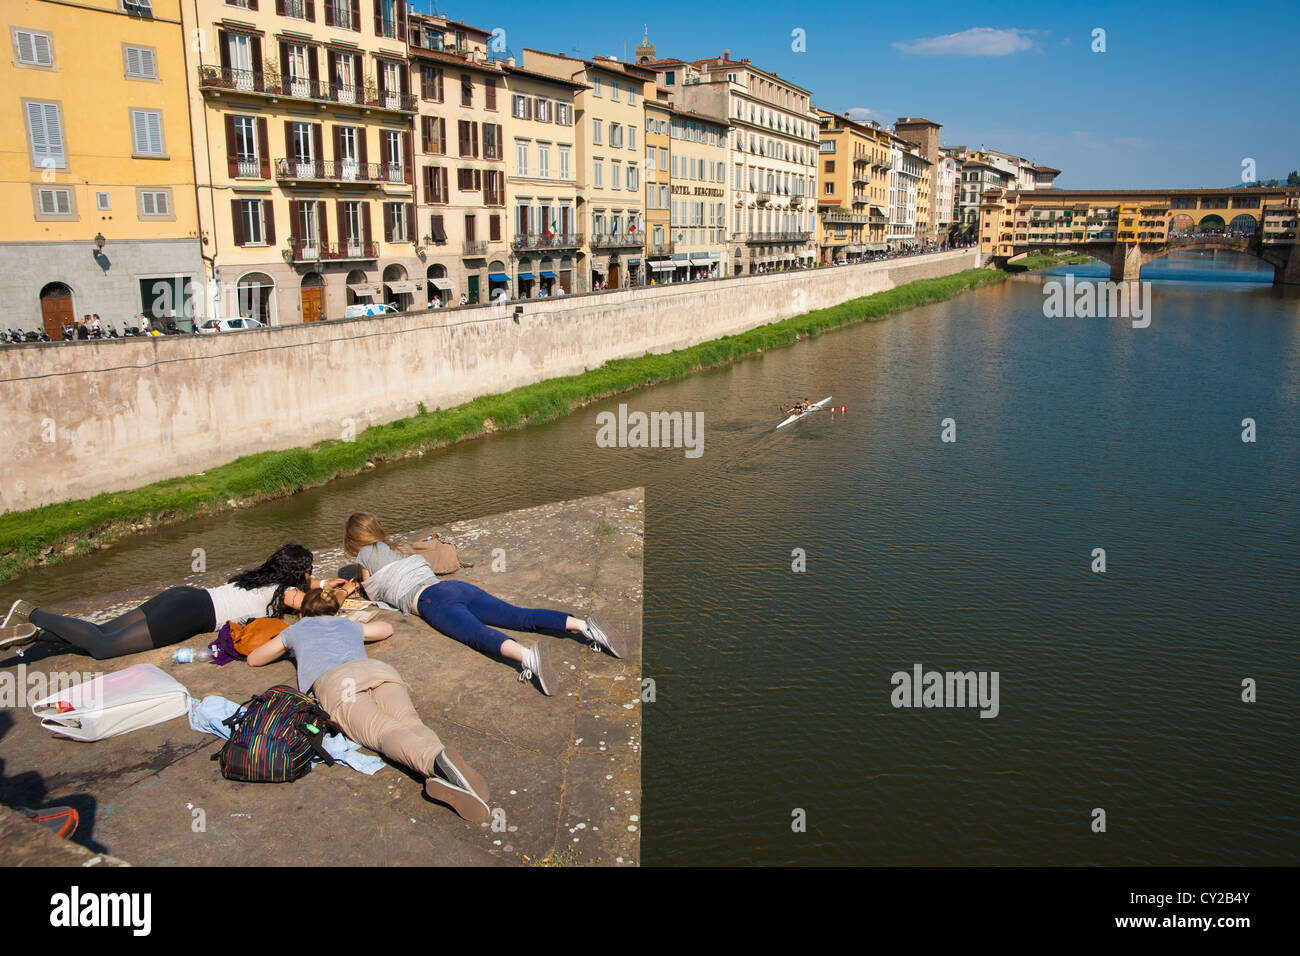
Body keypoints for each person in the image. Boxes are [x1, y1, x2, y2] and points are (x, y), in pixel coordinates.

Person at [248, 586, 490, 821]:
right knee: (410, 722)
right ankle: (444, 772)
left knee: (383, 731)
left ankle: (434, 761)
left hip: (339, 682)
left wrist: (291, 644)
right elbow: (385, 629)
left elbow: (255, 658)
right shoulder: (347, 623)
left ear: (301, 614)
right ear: (335, 612)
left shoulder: (297, 629)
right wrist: (348, 625)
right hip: (379, 671)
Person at [340, 512, 623, 696]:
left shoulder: (364, 553)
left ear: (355, 540)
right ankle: (584, 626)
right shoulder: (399, 546)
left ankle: (526, 656)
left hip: (429, 600)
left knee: (475, 634)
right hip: (454, 588)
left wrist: (354, 585)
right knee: (519, 616)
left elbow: (372, 590)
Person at [3, 544, 338, 660]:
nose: (311, 577)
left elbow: (307, 586)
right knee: (103, 647)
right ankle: (32, 611)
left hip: (182, 595)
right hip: (190, 614)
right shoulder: (286, 593)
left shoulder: (264, 576)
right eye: (308, 572)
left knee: (98, 629)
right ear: (298, 573)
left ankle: (35, 632)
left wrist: (321, 580)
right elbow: (313, 601)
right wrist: (342, 591)